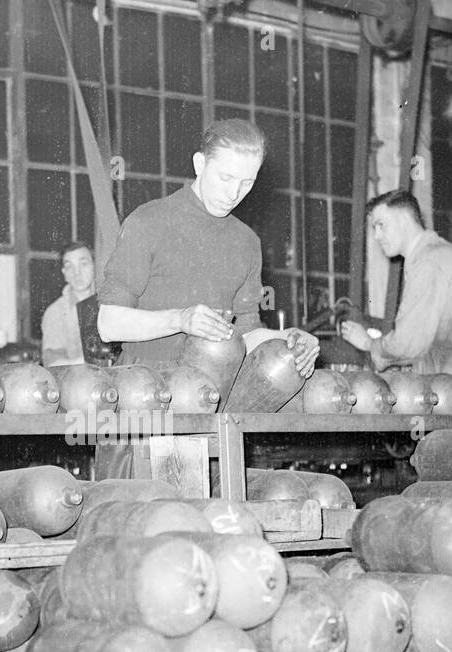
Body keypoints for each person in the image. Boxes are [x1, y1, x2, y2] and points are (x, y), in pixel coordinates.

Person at [95, 119, 319, 476]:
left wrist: (290, 339)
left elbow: (244, 334)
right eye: (225, 178)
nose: (234, 193)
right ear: (200, 164)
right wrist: (180, 320)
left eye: (247, 182)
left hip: (209, 408)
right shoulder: (150, 222)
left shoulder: (246, 242)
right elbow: (108, 324)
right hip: (142, 404)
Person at [339, 190, 452, 375]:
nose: (377, 236)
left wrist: (368, 343)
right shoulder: (450, 253)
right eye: (374, 228)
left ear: (403, 219)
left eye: (381, 225)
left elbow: (408, 342)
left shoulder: (429, 262)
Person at [40, 242, 94, 367]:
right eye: (70, 266)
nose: (77, 273)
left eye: (84, 264)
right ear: (64, 272)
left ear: (94, 266)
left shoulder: (108, 303)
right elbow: (52, 363)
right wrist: (89, 362)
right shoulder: (55, 312)